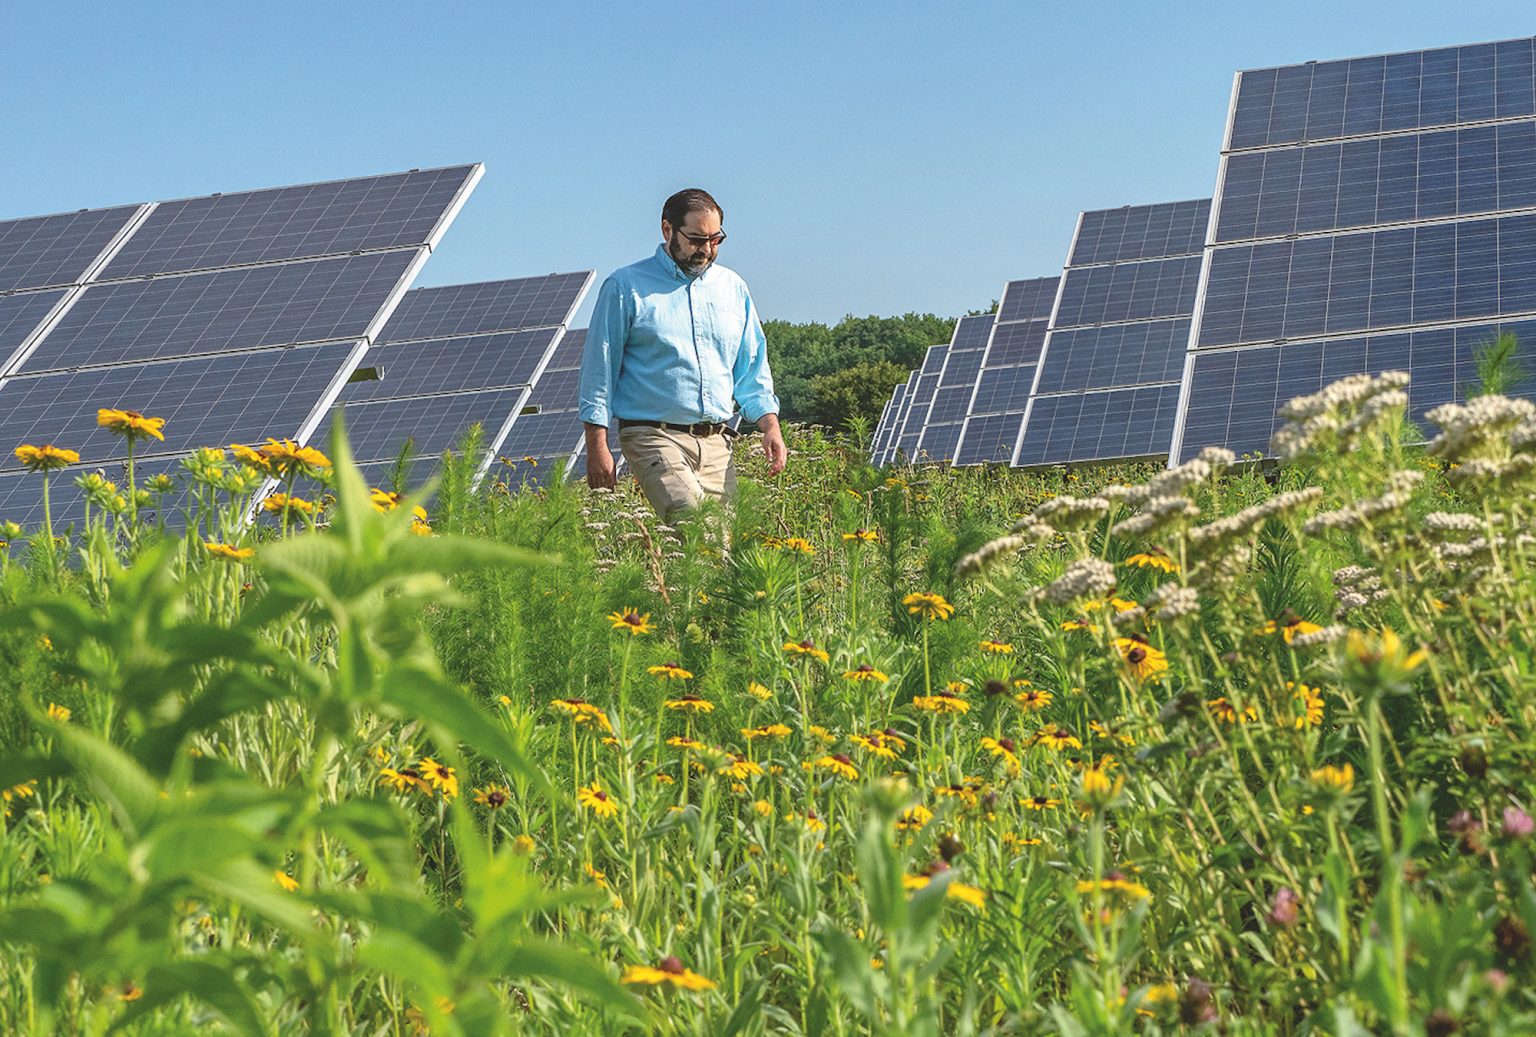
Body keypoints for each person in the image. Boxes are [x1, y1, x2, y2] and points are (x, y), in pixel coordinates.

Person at [578, 188, 786, 520]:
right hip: (652, 435)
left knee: (717, 555)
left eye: (716, 240)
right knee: (697, 530)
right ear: (667, 230)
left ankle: (660, 574)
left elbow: (751, 367)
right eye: (696, 239)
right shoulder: (625, 287)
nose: (706, 250)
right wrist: (596, 445)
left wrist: (769, 426)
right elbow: (599, 369)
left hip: (717, 442)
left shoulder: (733, 289)